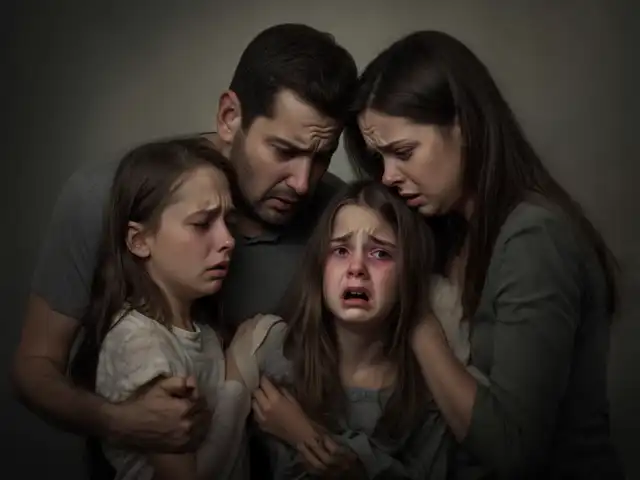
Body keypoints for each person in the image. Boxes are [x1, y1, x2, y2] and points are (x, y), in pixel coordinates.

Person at [11, 22, 356, 459]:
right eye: (284, 151)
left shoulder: (344, 219)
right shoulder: (107, 196)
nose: (303, 182)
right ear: (230, 117)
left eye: (322, 157)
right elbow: (34, 367)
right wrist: (119, 422)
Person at [343, 30, 624, 479]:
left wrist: (416, 316)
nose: (388, 176)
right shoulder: (453, 232)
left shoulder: (535, 237)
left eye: (404, 152)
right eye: (379, 158)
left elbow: (514, 451)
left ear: (465, 127)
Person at [227, 180, 466, 480]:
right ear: (319, 268)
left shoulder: (427, 390)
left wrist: (309, 439)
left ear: (408, 275)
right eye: (340, 250)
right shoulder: (274, 354)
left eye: (380, 254)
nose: (356, 268)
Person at [70, 137, 249, 479]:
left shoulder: (203, 332)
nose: (228, 240)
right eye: (202, 223)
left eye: (229, 222)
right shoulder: (138, 343)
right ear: (139, 241)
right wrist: (242, 373)